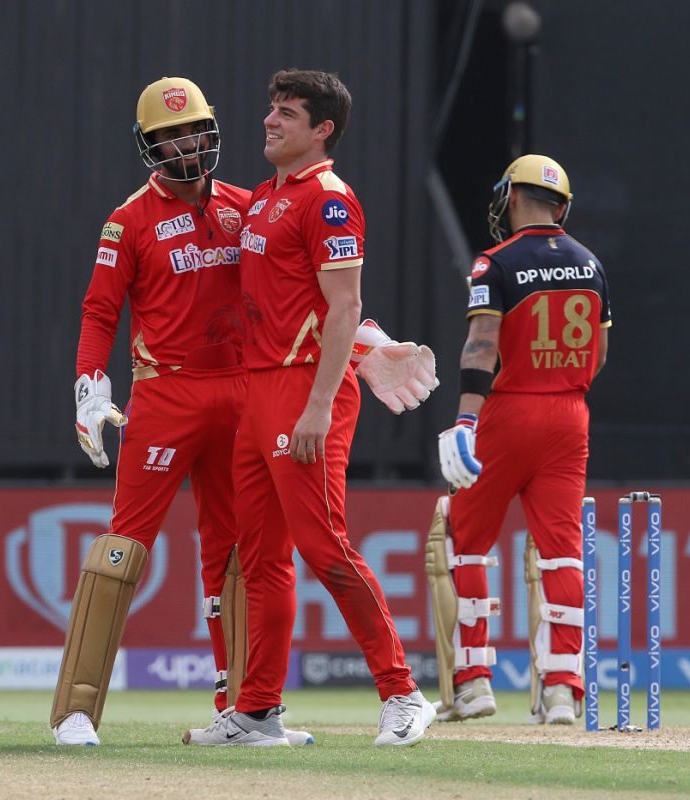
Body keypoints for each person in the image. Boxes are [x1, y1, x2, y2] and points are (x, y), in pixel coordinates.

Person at [56, 75, 437, 747]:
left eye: (193, 131)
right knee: (125, 548)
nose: (185, 146)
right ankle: (80, 710)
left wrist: (364, 348)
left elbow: (319, 297)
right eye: (169, 136)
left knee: (244, 556)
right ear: (148, 146)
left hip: (252, 391)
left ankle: (256, 705)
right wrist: (92, 386)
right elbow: (98, 311)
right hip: (168, 395)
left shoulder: (253, 203)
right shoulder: (139, 219)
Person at [185, 69, 435, 748]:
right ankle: (257, 712)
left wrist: (321, 405)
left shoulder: (328, 199)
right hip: (256, 391)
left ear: (322, 130)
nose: (270, 120)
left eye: (287, 113)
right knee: (260, 557)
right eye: (271, 108)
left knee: (325, 548)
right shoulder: (267, 196)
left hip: (303, 394)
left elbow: (344, 303)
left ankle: (403, 692)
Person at [430, 154, 609, 725]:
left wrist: (465, 420)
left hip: (510, 411)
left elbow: (482, 344)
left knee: (465, 541)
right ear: (562, 205)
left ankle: (475, 682)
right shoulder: (590, 263)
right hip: (570, 414)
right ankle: (561, 689)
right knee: (562, 551)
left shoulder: (496, 262)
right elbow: (598, 356)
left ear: (512, 197)